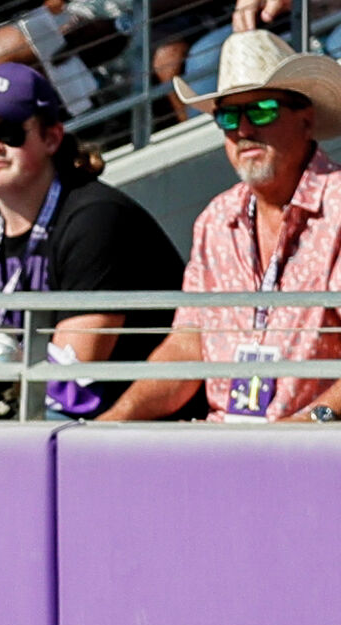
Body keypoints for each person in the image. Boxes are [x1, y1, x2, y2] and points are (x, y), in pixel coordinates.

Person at [99, 32, 341, 422]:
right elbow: (187, 345)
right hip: (224, 449)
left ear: (306, 120)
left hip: (323, 456)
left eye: (261, 110)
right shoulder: (216, 219)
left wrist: (307, 428)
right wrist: (116, 419)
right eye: (227, 116)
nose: (243, 130)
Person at [0, 63, 184, 419]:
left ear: (51, 137)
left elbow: (73, 373)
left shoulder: (97, 217)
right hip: (20, 405)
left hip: (116, 422)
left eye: (9, 131)